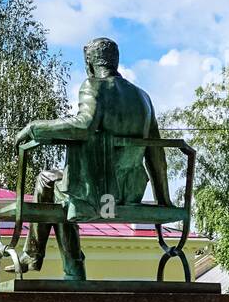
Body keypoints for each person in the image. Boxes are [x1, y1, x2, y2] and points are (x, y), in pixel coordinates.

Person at [17, 36, 171, 281]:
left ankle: (53, 262)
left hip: (97, 195)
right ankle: (44, 259)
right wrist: (166, 203)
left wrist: (35, 127)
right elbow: (156, 154)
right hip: (128, 195)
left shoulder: (93, 86)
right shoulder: (143, 98)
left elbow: (84, 125)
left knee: (51, 186)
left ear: (88, 62)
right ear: (115, 62)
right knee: (61, 190)